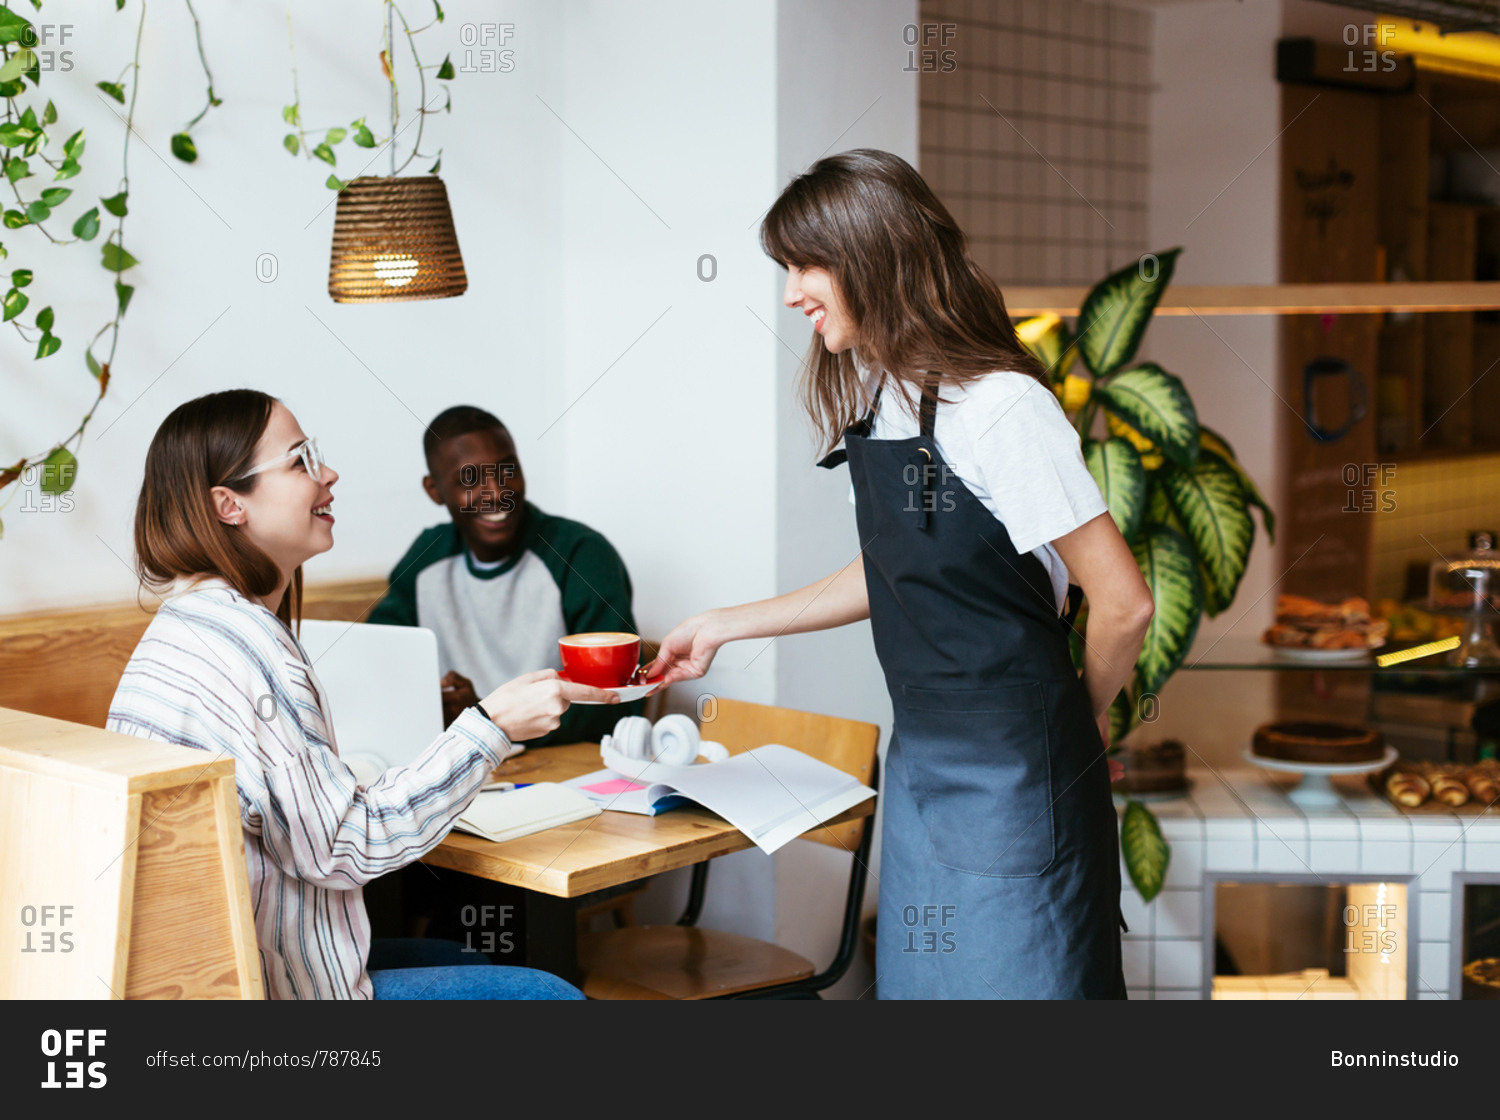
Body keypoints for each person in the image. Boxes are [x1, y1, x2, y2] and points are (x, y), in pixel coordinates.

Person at [646, 150, 1155, 999]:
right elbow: (897, 568)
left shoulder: (1001, 409)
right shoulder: (886, 398)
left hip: (1017, 782)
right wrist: (727, 623)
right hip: (922, 775)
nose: (791, 293)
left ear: (872, 256)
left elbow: (1124, 603)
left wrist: (1085, 717)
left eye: (806, 266)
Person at [107, 390, 617, 999]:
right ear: (229, 504)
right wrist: (492, 726)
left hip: (226, 967)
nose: (328, 474)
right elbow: (348, 846)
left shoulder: (187, 625)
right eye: (300, 461)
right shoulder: (249, 647)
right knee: (551, 998)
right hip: (279, 992)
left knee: (458, 948)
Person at [369, 406, 643, 743]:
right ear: (434, 491)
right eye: (469, 479)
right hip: (464, 761)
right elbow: (377, 664)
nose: (497, 493)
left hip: (563, 767)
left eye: (506, 471)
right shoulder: (427, 557)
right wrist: (431, 704)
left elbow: (616, 703)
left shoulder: (580, 555)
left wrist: (487, 717)